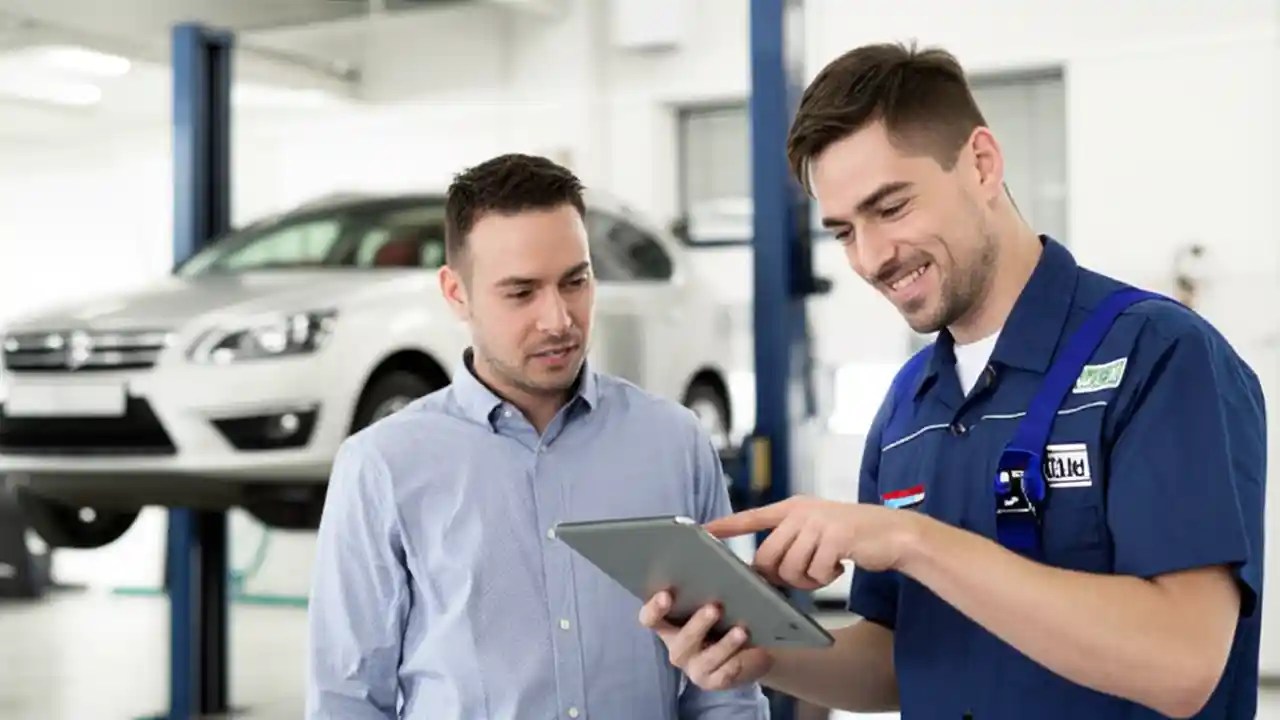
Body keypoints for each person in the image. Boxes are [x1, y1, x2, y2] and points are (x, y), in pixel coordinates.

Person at [639, 42, 1267, 719]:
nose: (872, 257)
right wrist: (761, 650)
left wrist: (912, 541)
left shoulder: (1159, 357)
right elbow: (898, 663)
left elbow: (1181, 664)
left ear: (981, 165)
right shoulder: (910, 405)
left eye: (892, 207)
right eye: (844, 231)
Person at [306, 153, 769, 719]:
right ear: (456, 293)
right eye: (521, 293)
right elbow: (348, 699)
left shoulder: (673, 442)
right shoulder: (382, 466)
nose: (558, 319)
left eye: (575, 281)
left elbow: (724, 686)